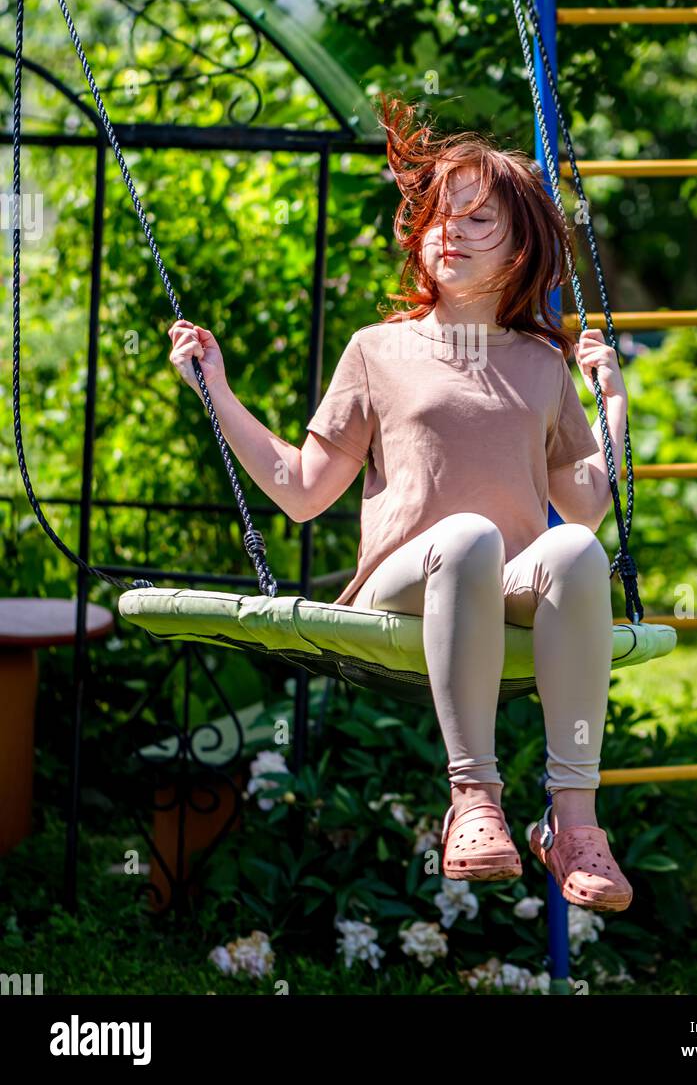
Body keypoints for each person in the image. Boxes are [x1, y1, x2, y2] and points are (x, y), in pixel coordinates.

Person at [167, 98, 633, 911]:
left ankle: (572, 822)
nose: (448, 230)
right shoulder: (376, 350)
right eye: (438, 217)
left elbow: (587, 509)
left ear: (522, 245)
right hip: (402, 587)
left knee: (575, 553)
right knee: (466, 538)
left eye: (478, 218)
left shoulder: (539, 362)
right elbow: (301, 489)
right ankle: (475, 798)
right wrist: (218, 390)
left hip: (502, 592)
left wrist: (613, 406)